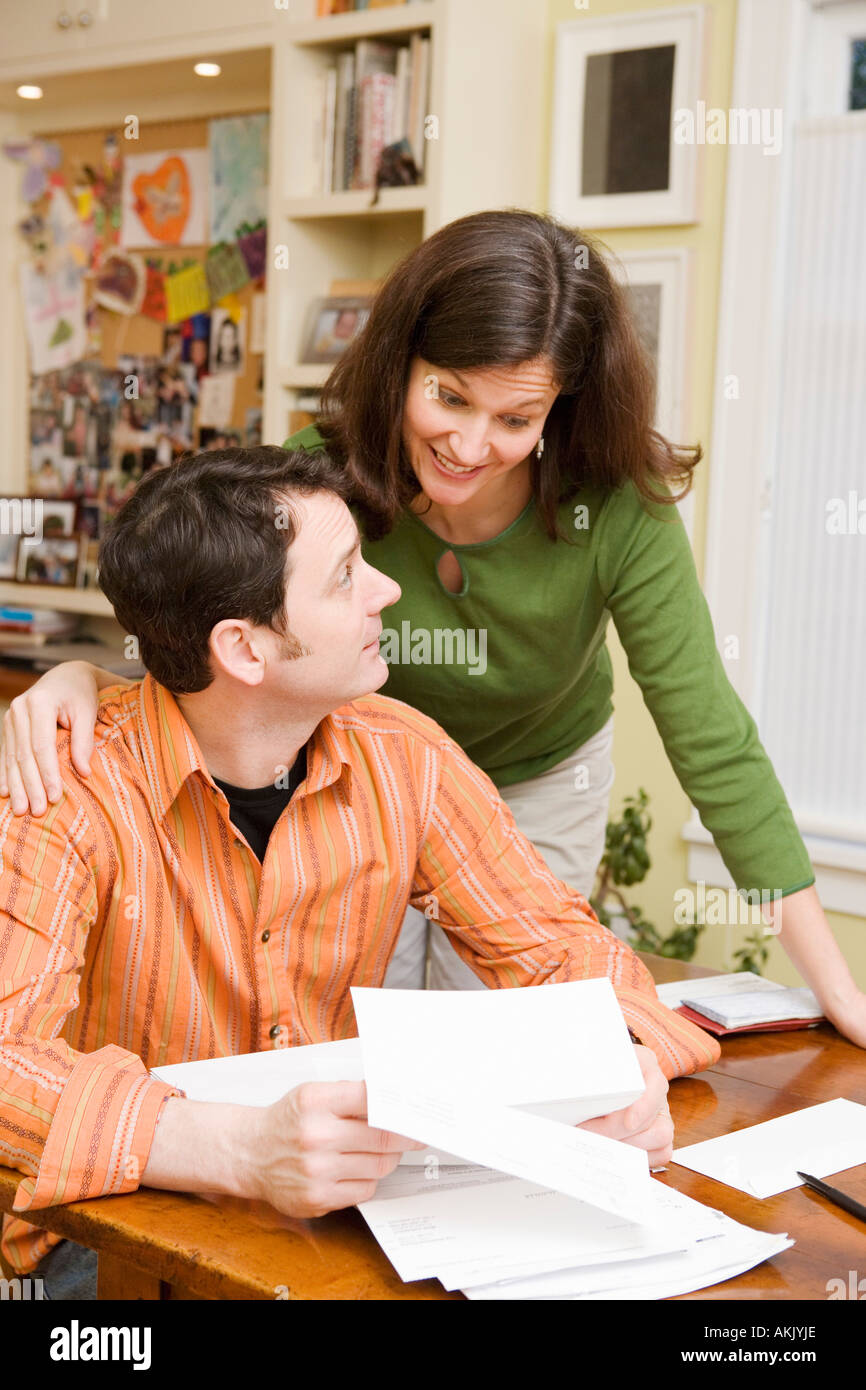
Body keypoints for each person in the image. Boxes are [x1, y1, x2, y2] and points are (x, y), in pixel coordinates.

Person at [5, 210, 863, 1043]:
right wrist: (86, 678)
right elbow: (216, 614)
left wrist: (836, 989)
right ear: (402, 364)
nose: (468, 444)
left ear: (559, 410)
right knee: (352, 1027)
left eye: (515, 419)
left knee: (500, 1038)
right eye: (448, 396)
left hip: (535, 780)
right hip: (357, 782)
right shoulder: (318, 474)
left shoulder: (617, 510)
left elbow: (710, 738)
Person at [0, 445, 710, 1298]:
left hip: (343, 1220)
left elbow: (563, 946)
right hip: (119, 1229)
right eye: (345, 578)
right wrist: (237, 1147)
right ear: (246, 649)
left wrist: (622, 1061)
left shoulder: (401, 756)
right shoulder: (63, 785)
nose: (387, 591)